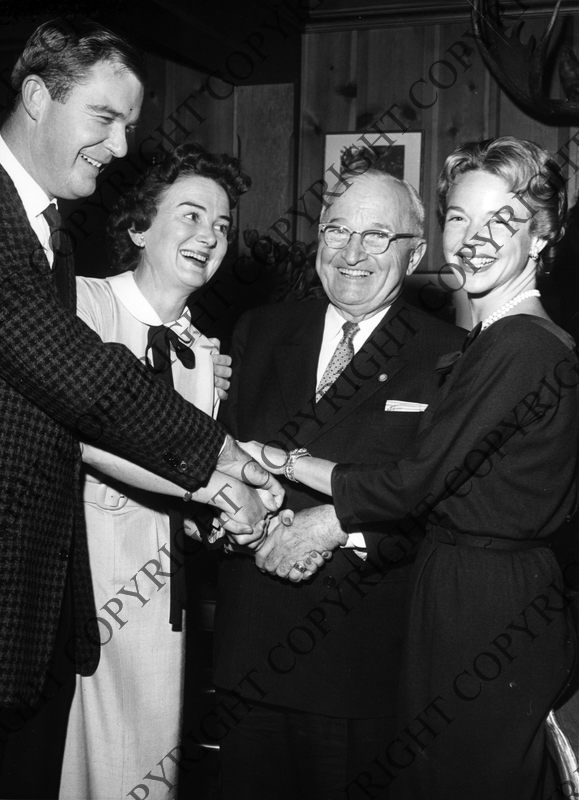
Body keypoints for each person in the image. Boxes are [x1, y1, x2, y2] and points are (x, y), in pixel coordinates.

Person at [0, 18, 281, 800]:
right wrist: (227, 464)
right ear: (34, 96)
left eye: (129, 125)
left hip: (35, 620)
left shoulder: (49, 230)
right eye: (105, 118)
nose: (121, 147)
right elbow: (81, 378)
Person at [245, 136, 578, 799]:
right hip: (468, 592)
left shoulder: (520, 345)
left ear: (539, 235)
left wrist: (291, 465)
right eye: (459, 217)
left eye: (500, 221)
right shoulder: (500, 341)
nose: (474, 238)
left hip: (484, 603)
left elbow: (413, 482)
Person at [213, 168, 466, 799]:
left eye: (378, 236)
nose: (352, 254)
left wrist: (339, 532)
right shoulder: (260, 331)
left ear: (417, 253)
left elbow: (445, 504)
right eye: (338, 231)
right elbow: (223, 457)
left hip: (363, 667)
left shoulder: (451, 355)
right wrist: (230, 516)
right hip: (251, 653)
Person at [58, 143, 257, 800]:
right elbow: (79, 437)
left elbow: (190, 498)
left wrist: (227, 521)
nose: (210, 236)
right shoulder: (81, 305)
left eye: (223, 225)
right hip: (74, 590)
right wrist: (219, 485)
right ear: (139, 227)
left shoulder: (205, 357)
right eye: (193, 216)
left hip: (160, 607)